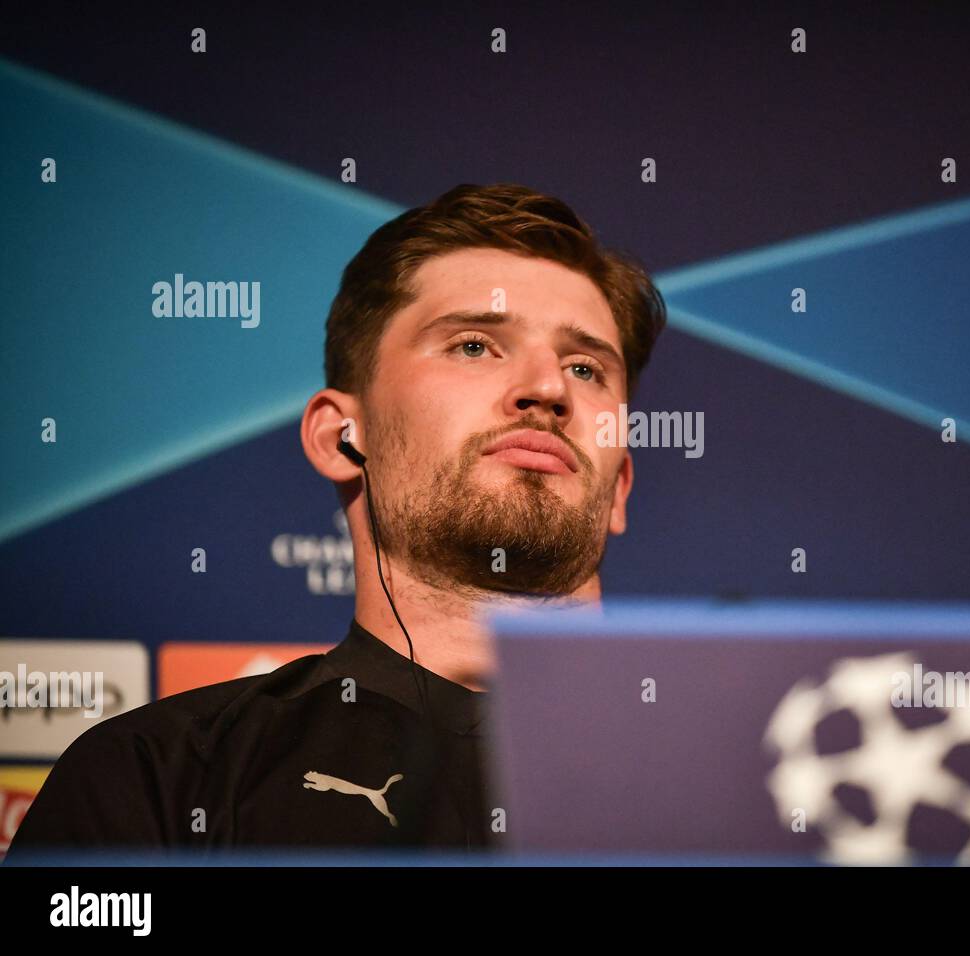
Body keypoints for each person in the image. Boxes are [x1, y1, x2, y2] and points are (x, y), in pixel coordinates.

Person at [4, 183, 666, 861]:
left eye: (585, 367)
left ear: (618, 486)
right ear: (341, 437)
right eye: (474, 346)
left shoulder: (756, 776)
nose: (550, 388)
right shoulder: (156, 778)